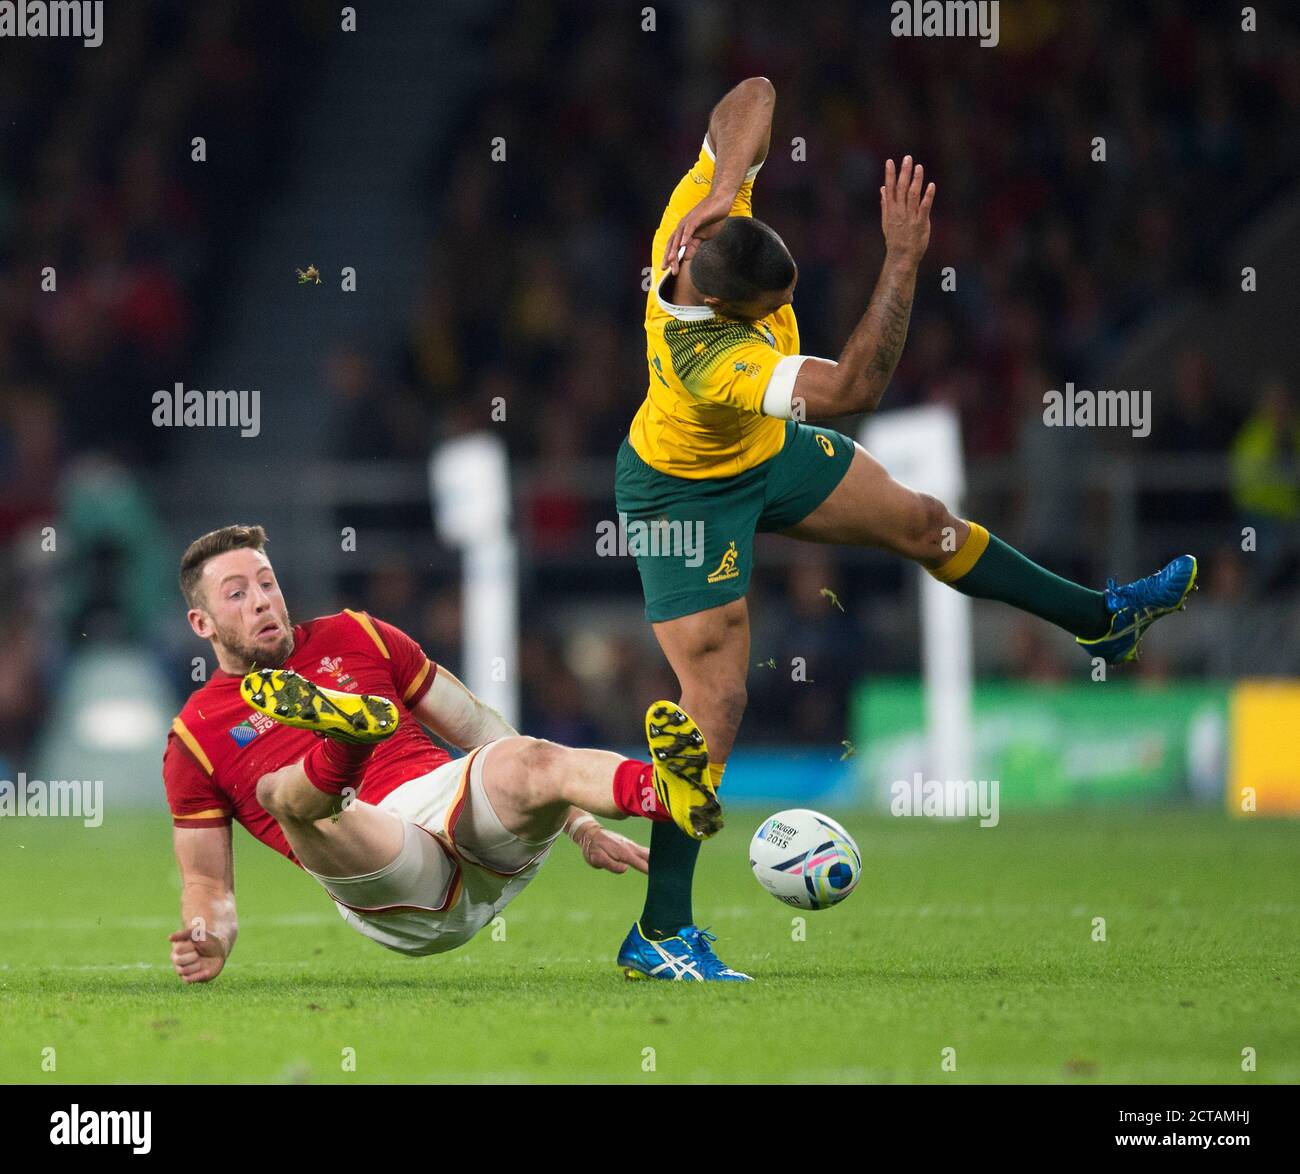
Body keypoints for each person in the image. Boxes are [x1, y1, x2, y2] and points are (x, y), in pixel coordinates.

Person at [613, 77, 1196, 981]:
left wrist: (725, 182)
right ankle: (658, 930)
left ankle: (1101, 620)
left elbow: (755, 94)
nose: (780, 319)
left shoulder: (698, 224)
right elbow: (852, 394)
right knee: (715, 705)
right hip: (677, 497)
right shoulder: (710, 355)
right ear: (736, 316)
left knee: (928, 524)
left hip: (762, 450)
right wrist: (902, 260)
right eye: (772, 313)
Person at [165, 524, 729, 983]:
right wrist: (207, 934)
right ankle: (348, 741)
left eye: (267, 583)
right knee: (283, 796)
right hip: (386, 868)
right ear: (202, 623)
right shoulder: (196, 736)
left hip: (459, 815)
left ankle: (660, 791)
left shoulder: (356, 633)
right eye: (237, 594)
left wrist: (580, 824)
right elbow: (209, 887)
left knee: (528, 755)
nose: (262, 602)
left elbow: (478, 724)